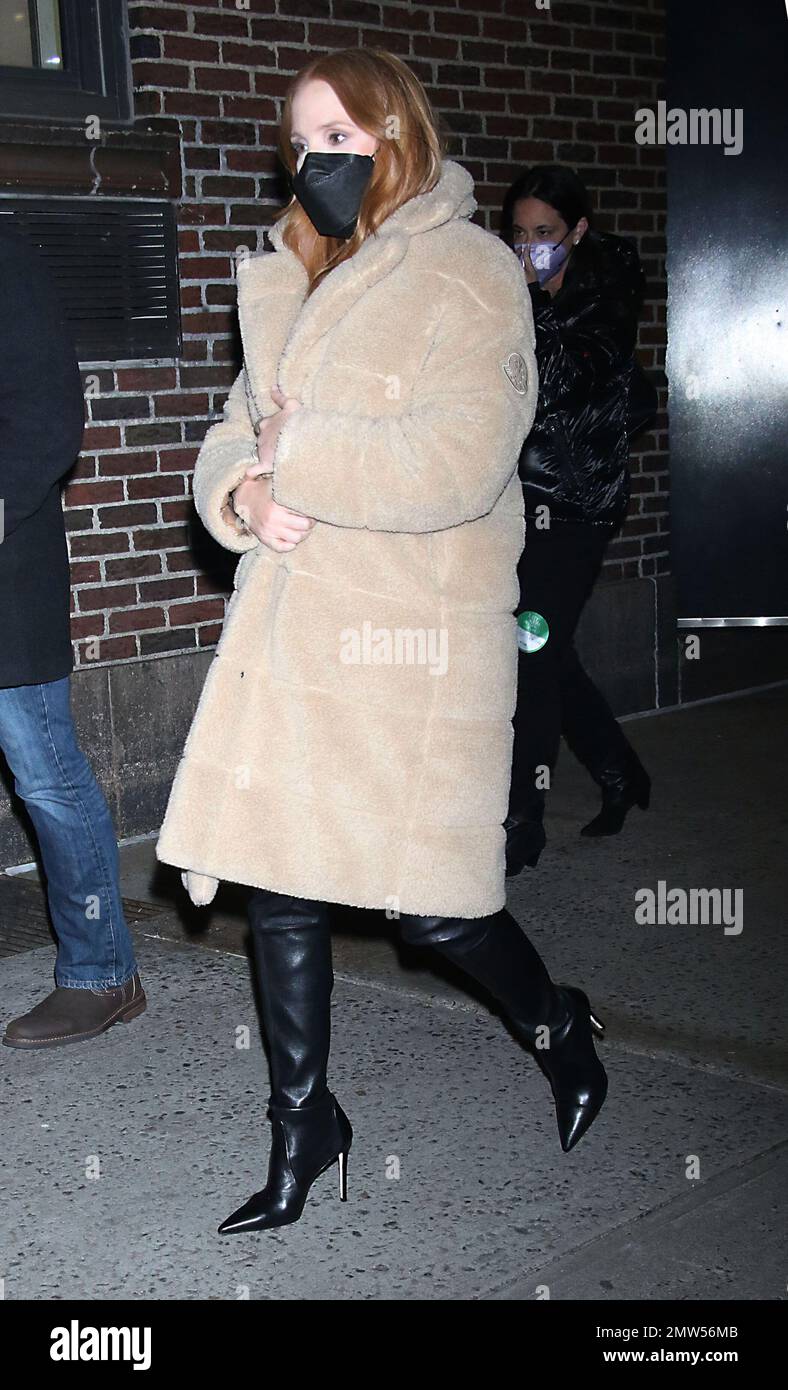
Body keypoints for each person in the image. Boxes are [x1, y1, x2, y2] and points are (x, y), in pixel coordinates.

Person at [155, 49, 607, 1234]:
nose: (320, 160)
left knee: (434, 904)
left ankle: (560, 1025)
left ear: (396, 130)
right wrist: (241, 499)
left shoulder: (469, 274)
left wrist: (294, 455)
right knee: (282, 884)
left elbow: (458, 463)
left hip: (411, 648)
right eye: (303, 141)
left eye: (341, 135)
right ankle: (304, 1122)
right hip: (299, 636)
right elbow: (230, 437)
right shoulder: (290, 269)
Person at [0, 228, 146, 1048]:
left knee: (45, 775)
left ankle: (102, 974)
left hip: (3, 576)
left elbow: (48, 419)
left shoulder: (6, 255)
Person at [499, 165, 653, 875]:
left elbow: (555, 381)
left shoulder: (606, 300)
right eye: (521, 233)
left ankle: (522, 823)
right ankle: (621, 771)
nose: (531, 248)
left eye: (546, 234)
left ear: (577, 233)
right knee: (544, 650)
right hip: (518, 503)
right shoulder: (511, 293)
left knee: (531, 653)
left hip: (579, 506)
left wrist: (525, 305)